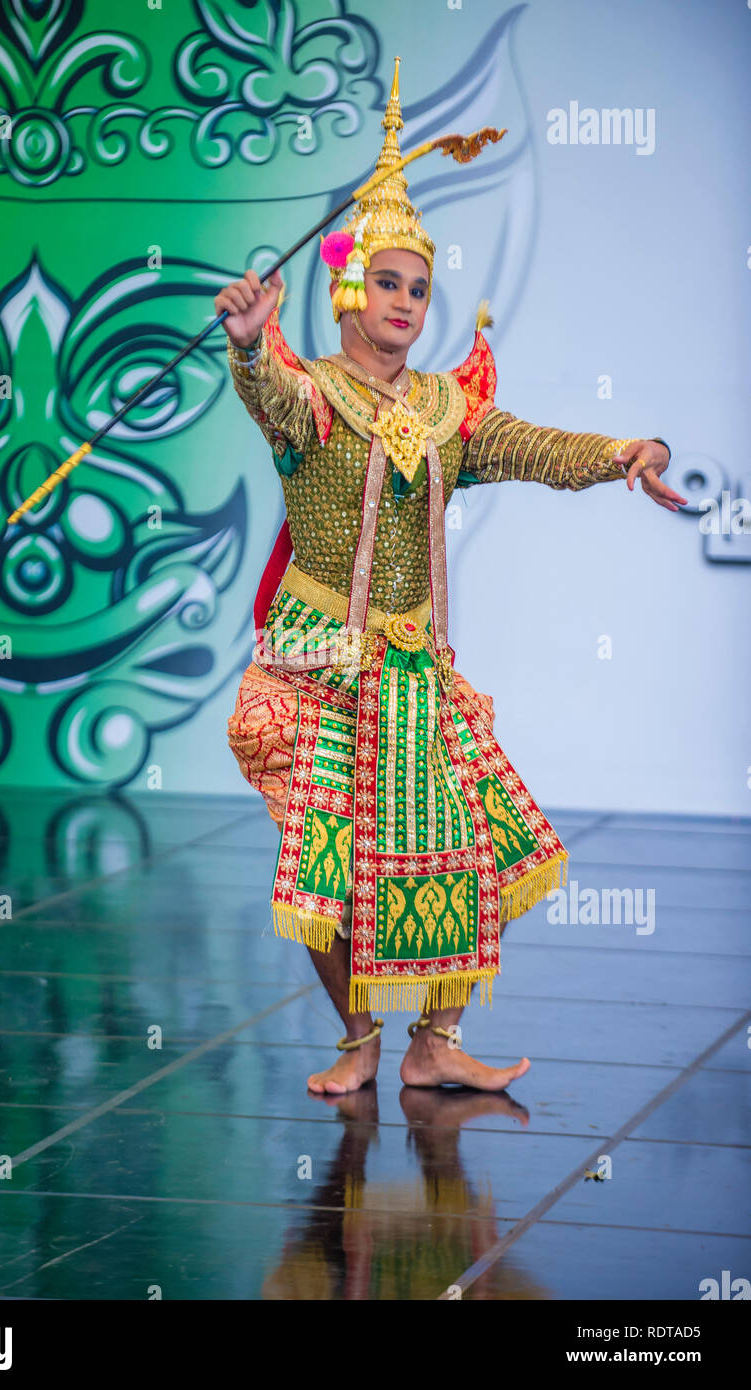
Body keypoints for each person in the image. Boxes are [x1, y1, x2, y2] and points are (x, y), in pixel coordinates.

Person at [218, 59, 684, 1097]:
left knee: (460, 845)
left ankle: (433, 1043)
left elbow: (525, 445)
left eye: (418, 287)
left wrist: (623, 450)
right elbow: (269, 402)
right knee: (323, 864)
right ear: (347, 285)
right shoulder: (313, 397)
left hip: (412, 661)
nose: (405, 301)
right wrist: (249, 351)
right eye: (386, 280)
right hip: (313, 661)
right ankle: (356, 1042)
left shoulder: (441, 407)